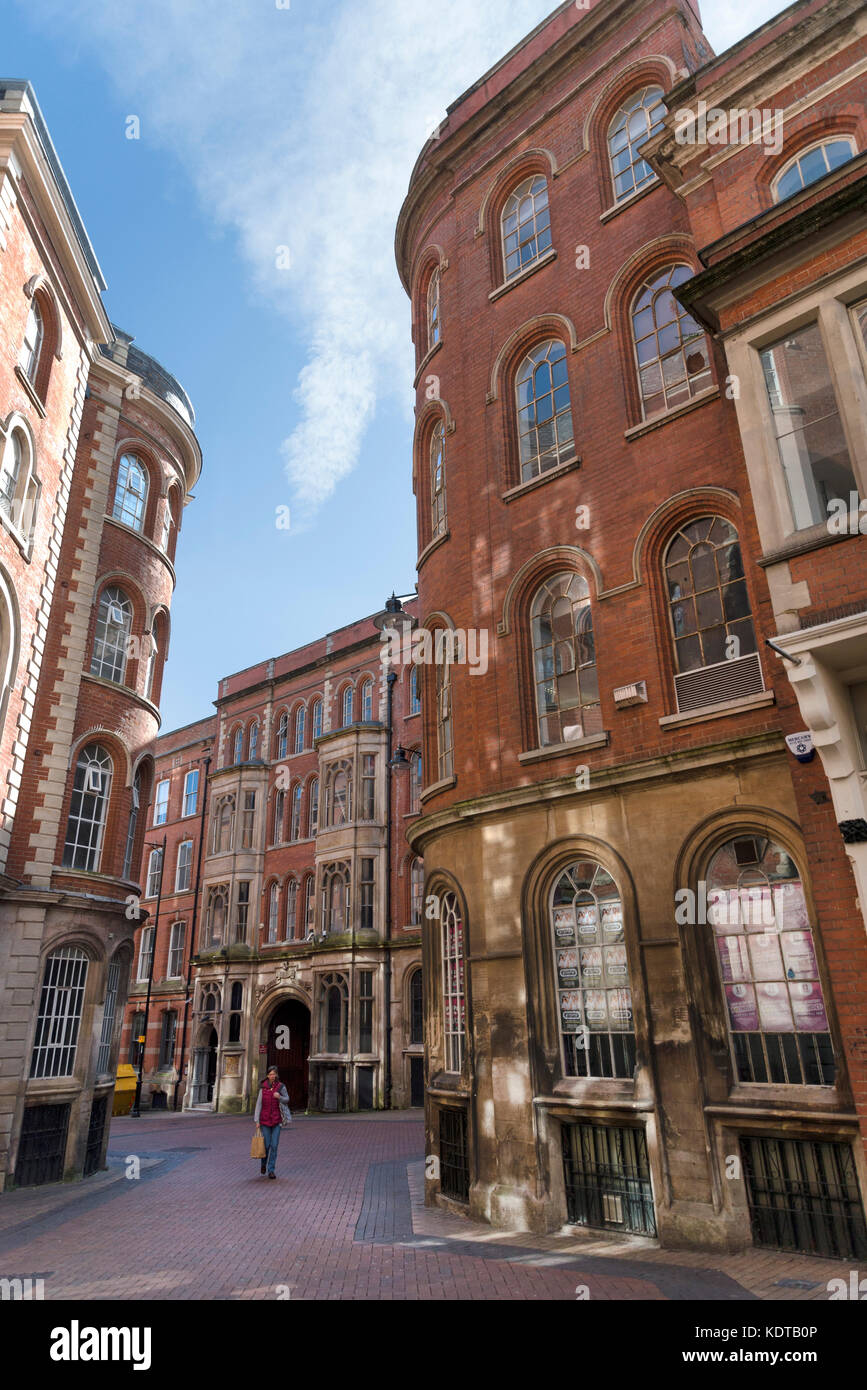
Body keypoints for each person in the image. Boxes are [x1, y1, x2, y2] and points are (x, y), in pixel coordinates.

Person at [253, 1067, 290, 1178]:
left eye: (274, 1074)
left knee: (274, 1145)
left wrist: (280, 1097)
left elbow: (287, 1099)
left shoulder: (281, 1087)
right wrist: (257, 1120)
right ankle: (263, 1164)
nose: (272, 1076)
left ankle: (271, 1170)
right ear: (267, 1075)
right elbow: (259, 1105)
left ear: (276, 1075)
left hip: (276, 1120)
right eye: (270, 1074)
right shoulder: (263, 1088)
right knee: (266, 1145)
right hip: (264, 1121)